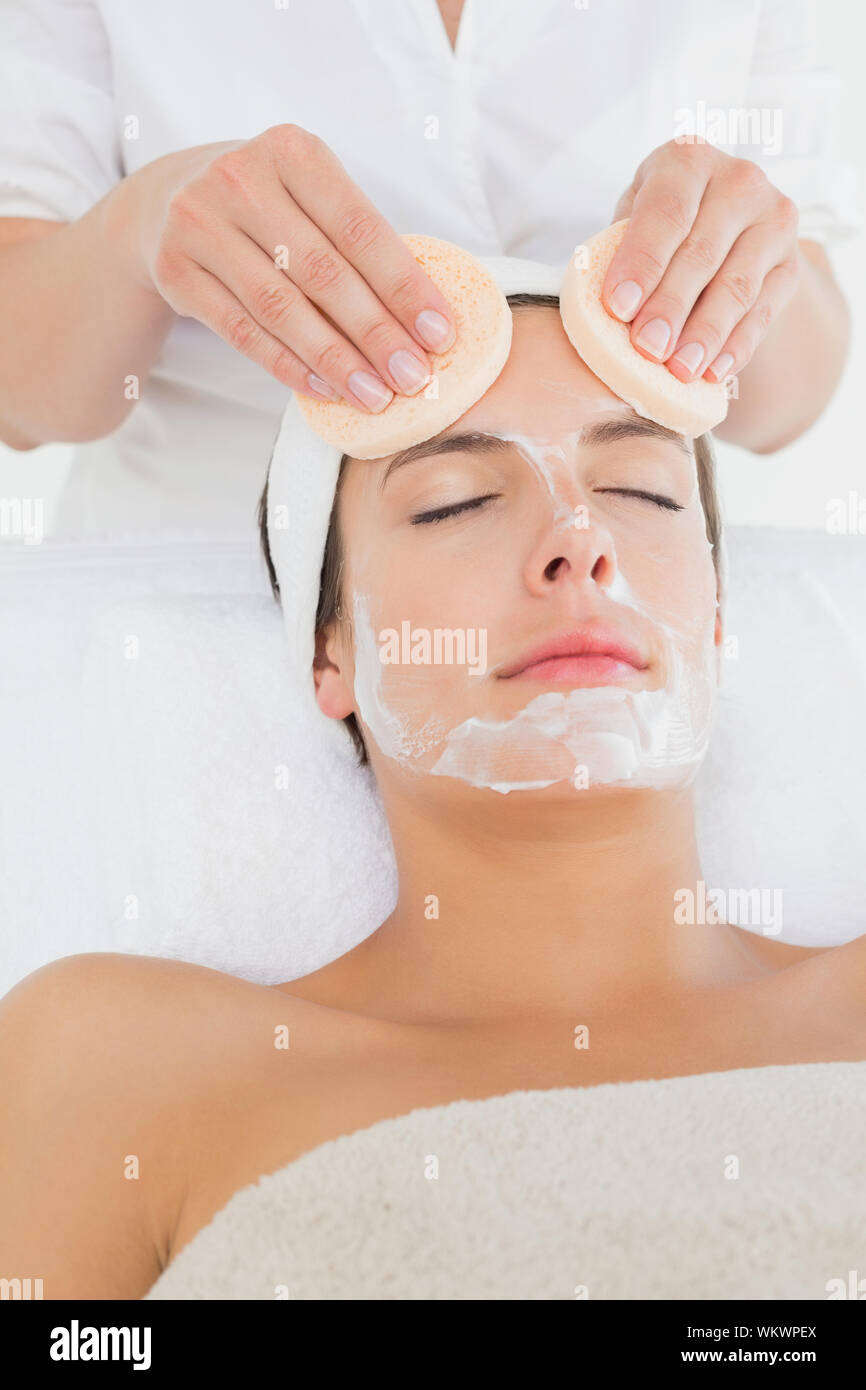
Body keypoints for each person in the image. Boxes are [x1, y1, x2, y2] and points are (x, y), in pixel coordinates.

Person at [1, 294, 863, 1299]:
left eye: (639, 490)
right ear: (331, 651)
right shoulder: (123, 1060)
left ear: (713, 622)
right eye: (452, 499)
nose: (579, 540)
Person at [0, 0, 856, 536]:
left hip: (620, 604)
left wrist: (738, 280)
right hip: (196, 573)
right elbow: (20, 397)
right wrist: (132, 231)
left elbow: (787, 407)